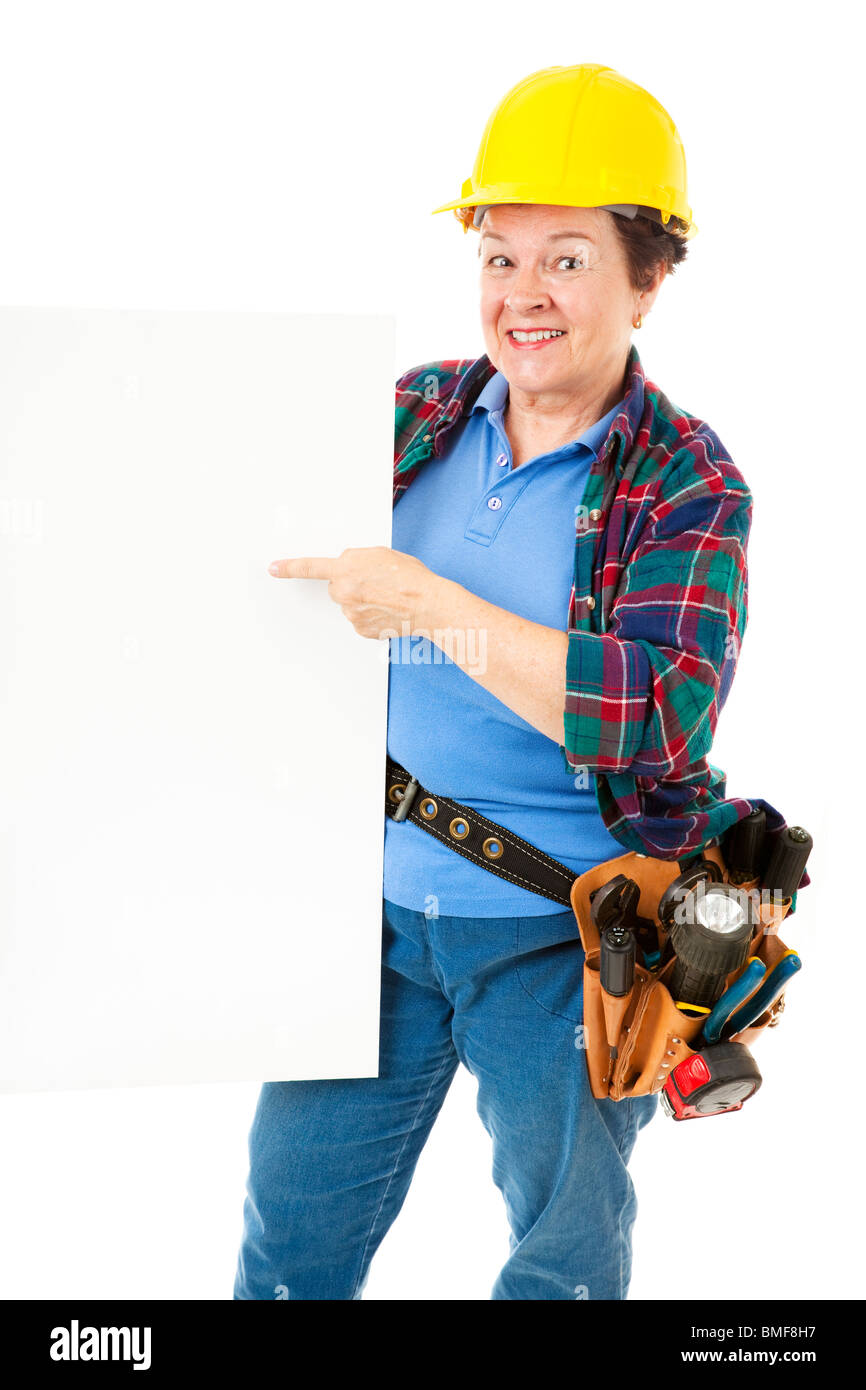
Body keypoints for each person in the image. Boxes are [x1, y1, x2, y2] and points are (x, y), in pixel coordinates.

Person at [233, 63, 754, 1300]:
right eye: (497, 256)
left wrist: (433, 610)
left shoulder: (684, 482)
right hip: (361, 918)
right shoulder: (411, 416)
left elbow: (659, 707)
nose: (523, 295)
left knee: (559, 1262)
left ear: (649, 277)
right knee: (288, 1238)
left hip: (563, 935)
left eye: (567, 259)